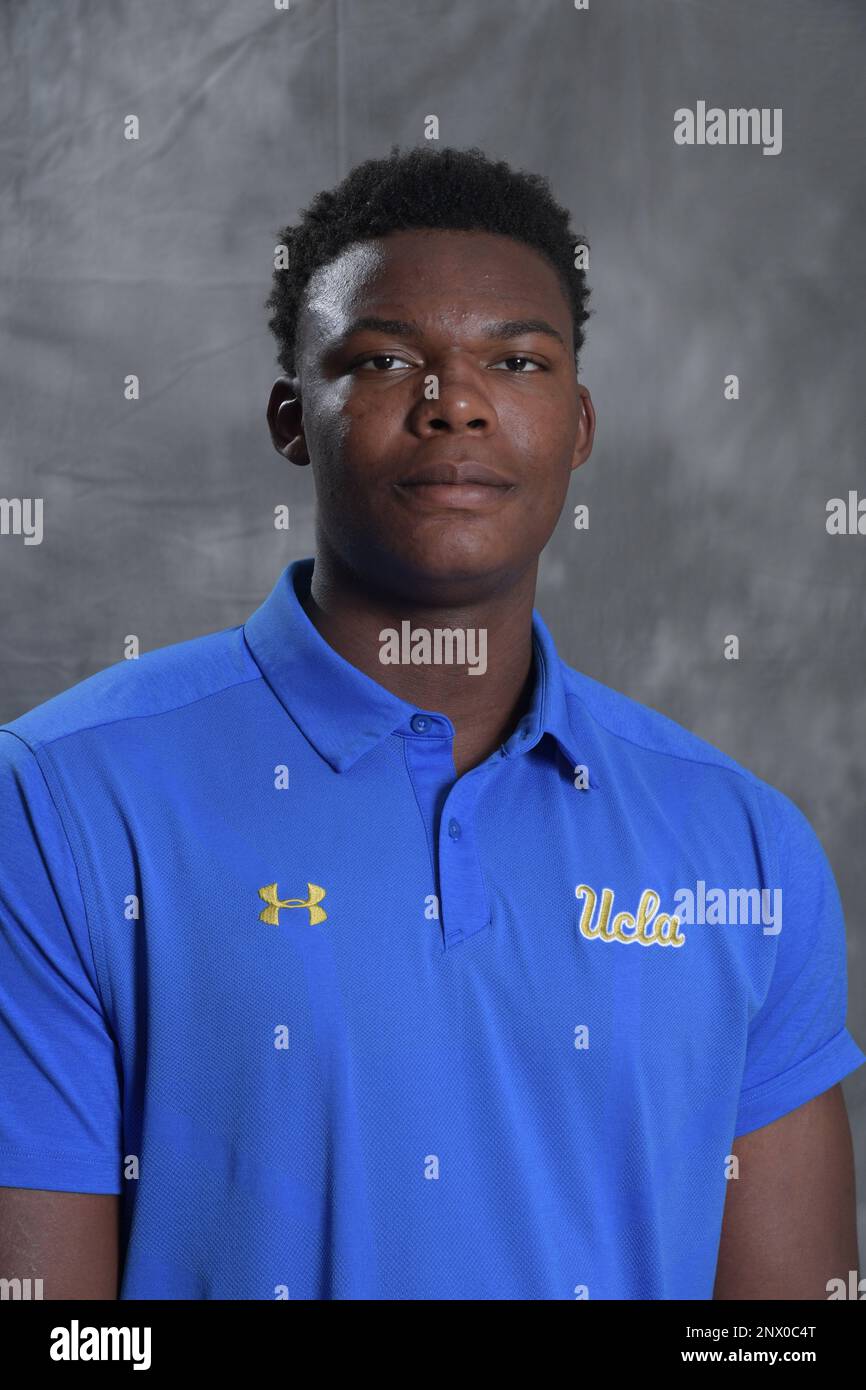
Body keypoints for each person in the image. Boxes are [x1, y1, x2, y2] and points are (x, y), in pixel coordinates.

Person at [0, 145, 863, 1300]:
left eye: (514, 360)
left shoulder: (743, 846)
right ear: (290, 419)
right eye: (384, 358)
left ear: (579, 424)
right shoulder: (59, 801)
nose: (453, 401)